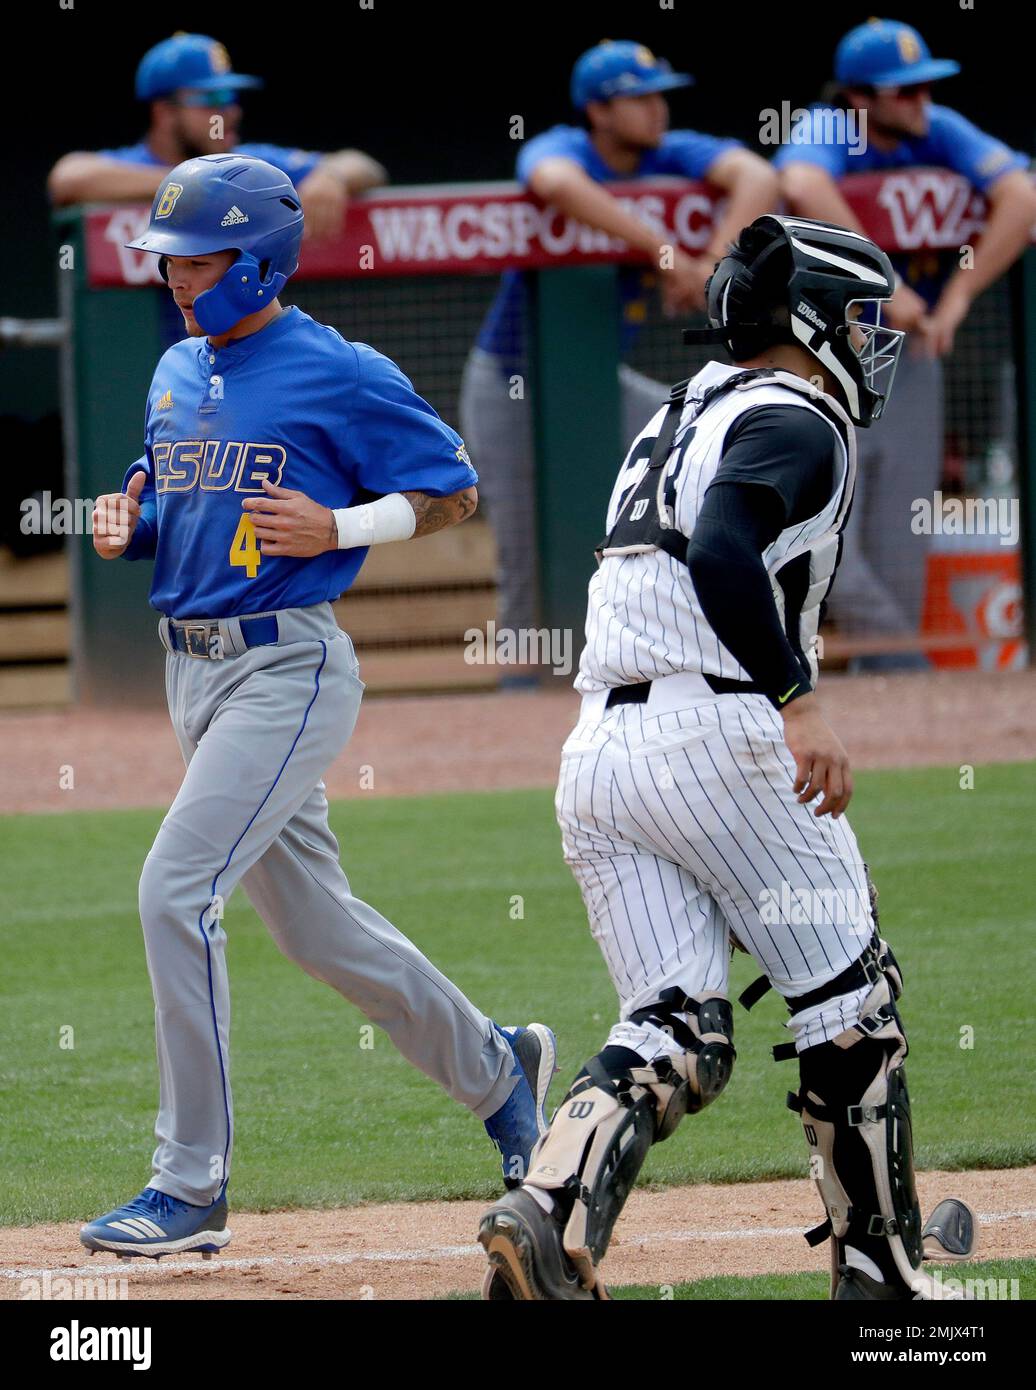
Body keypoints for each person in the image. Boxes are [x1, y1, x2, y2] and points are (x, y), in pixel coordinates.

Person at [477, 215, 971, 1300]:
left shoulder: (679, 406)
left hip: (602, 754)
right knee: (850, 999)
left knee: (678, 1023)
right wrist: (798, 701)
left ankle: (549, 1206)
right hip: (723, 740)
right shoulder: (799, 417)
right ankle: (879, 1274)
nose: (873, 337)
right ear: (807, 322)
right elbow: (719, 548)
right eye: (859, 316)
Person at [80, 153, 555, 1260]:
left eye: (192, 258)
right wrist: (132, 523)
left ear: (254, 260)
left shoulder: (337, 367)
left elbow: (454, 489)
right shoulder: (174, 368)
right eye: (165, 259)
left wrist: (340, 529)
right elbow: (187, 507)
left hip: (285, 670)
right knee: (320, 930)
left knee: (173, 891)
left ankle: (188, 1186)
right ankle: (500, 1071)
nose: (173, 277)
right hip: (190, 672)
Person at [459, 39, 778, 681]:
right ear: (599, 112)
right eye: (638, 97)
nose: (656, 109)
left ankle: (684, 661)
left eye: (660, 94)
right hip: (513, 383)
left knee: (693, 449)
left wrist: (712, 264)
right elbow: (552, 182)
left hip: (602, 383)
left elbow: (759, 177)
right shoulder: (563, 148)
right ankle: (520, 693)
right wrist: (663, 252)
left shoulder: (671, 152)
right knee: (526, 553)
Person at [775, 18, 1036, 667]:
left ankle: (893, 701)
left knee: (902, 551)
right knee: (828, 541)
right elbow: (802, 185)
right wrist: (885, 280)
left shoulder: (939, 127)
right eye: (905, 91)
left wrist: (957, 297)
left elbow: (1022, 196)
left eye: (925, 87)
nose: (922, 100)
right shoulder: (831, 127)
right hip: (823, 353)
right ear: (860, 98)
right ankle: (910, 667)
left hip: (913, 356)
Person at [47, 32, 386, 243]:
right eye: (213, 100)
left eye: (232, 99)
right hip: (147, 353)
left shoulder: (246, 167)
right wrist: (198, 184)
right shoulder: (131, 167)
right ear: (165, 112)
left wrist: (331, 176)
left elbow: (365, 165)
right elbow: (68, 179)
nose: (231, 113)